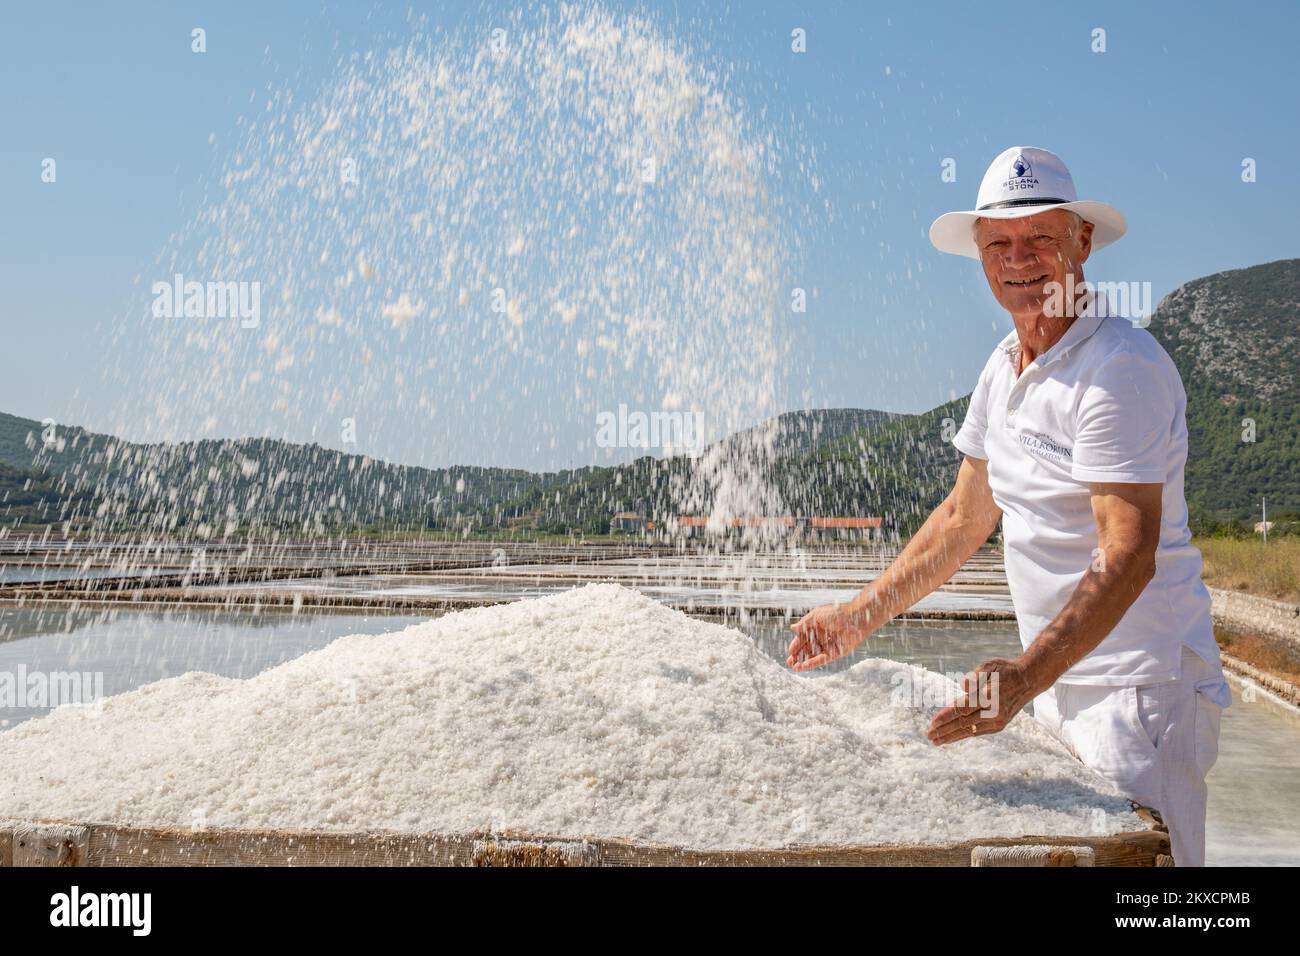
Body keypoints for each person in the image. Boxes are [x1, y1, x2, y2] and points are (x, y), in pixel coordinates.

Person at [787, 146, 1231, 866]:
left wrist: (1024, 676)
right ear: (979, 256)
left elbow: (1127, 553)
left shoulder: (1120, 370)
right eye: (999, 243)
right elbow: (964, 518)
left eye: (1041, 239)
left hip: (1136, 691)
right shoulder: (1004, 366)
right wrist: (856, 615)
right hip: (1056, 684)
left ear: (1082, 242)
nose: (1018, 259)